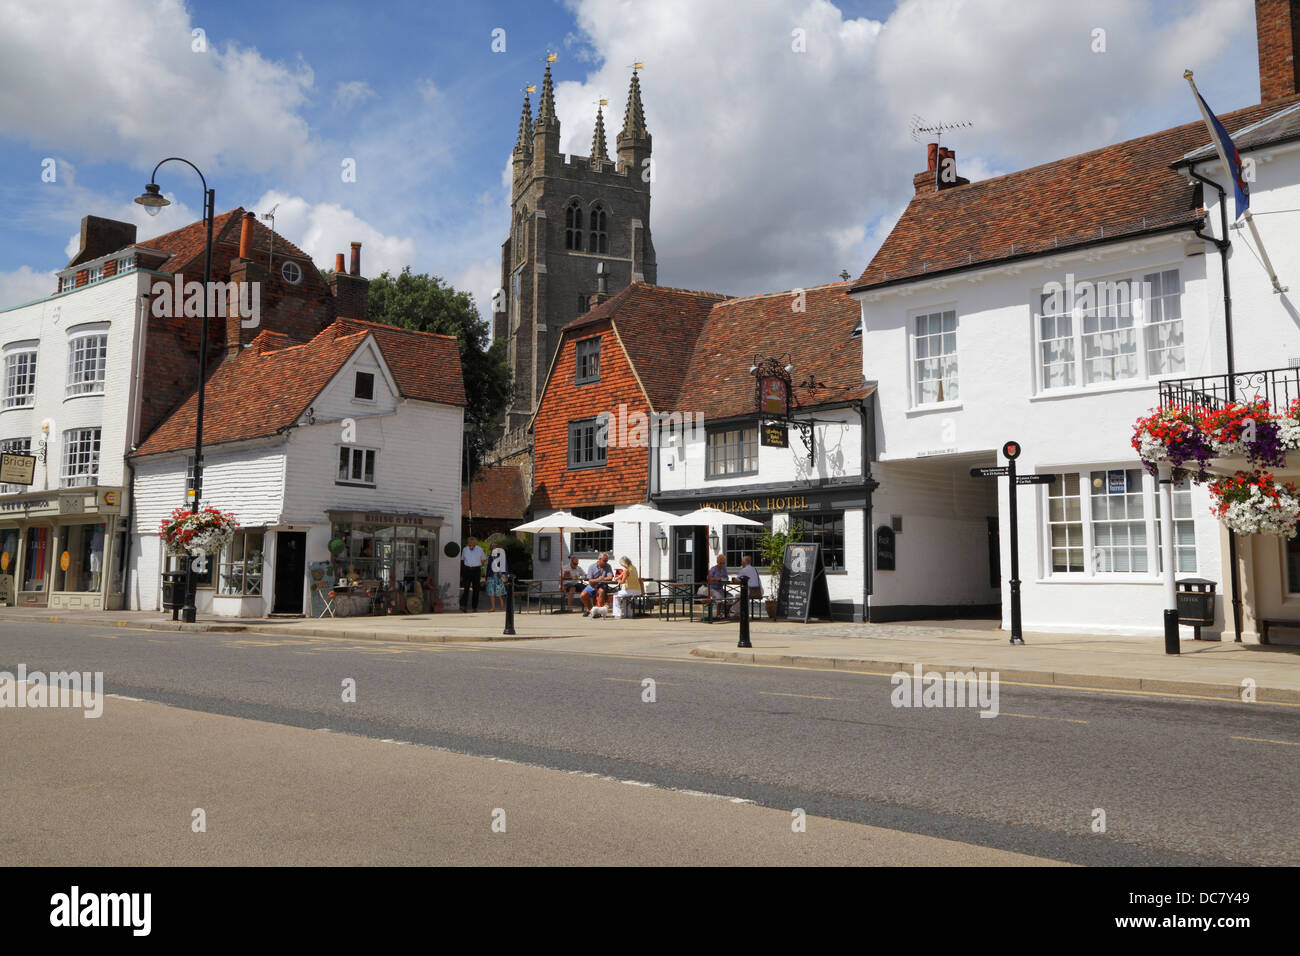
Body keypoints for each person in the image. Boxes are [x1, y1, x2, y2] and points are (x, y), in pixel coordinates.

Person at [459, 535, 486, 612]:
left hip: (476, 570)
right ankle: (464, 606)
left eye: (472, 543)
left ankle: (474, 607)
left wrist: (477, 565)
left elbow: (483, 560)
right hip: (467, 570)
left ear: (475, 543)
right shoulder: (465, 549)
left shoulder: (480, 549)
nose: (471, 544)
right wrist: (463, 572)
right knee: (466, 588)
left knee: (476, 589)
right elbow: (462, 560)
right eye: (469, 543)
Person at [707, 554, 730, 619]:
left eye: (723, 563)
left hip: (720, 588)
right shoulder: (713, 569)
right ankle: (718, 615)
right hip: (713, 588)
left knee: (731, 598)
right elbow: (709, 578)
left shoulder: (724, 569)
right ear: (717, 562)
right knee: (718, 597)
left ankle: (726, 613)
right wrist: (716, 579)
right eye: (720, 563)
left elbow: (727, 578)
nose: (721, 565)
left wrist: (725, 579)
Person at [486, 546, 507, 611]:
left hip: (498, 576)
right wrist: (486, 577)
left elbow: (505, 566)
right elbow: (488, 567)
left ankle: (502, 607)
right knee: (491, 592)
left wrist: (505, 575)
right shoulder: (490, 557)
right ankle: (493, 608)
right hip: (491, 576)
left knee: (499, 593)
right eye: (492, 548)